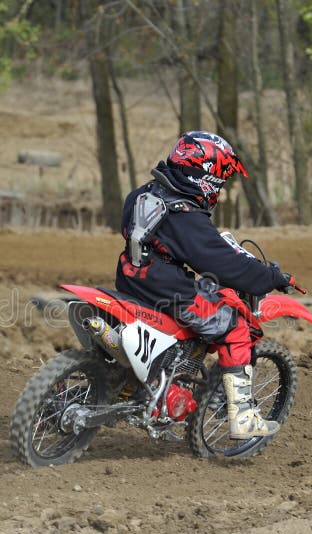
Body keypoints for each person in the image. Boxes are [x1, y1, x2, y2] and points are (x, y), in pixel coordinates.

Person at [116, 131, 295, 439]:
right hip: (169, 293)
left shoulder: (143, 193)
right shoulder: (185, 216)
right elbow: (223, 264)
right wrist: (271, 277)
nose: (221, 189)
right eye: (220, 180)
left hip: (130, 279)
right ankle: (244, 418)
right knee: (236, 327)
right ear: (206, 175)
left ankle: (154, 384)